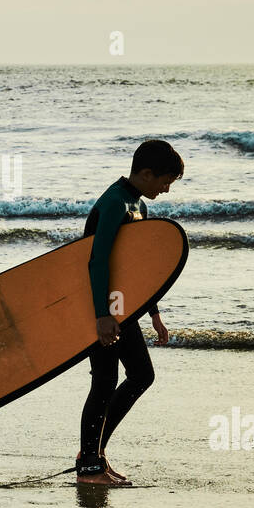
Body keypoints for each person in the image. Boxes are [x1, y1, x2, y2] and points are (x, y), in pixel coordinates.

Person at [76, 139, 184, 486]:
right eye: (164, 181)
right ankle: (89, 466)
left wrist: (153, 312)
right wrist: (102, 314)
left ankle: (93, 454)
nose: (166, 189)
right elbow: (98, 260)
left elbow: (138, 268)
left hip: (125, 307)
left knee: (141, 375)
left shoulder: (139, 204)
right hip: (104, 306)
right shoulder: (114, 203)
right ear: (146, 173)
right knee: (105, 381)